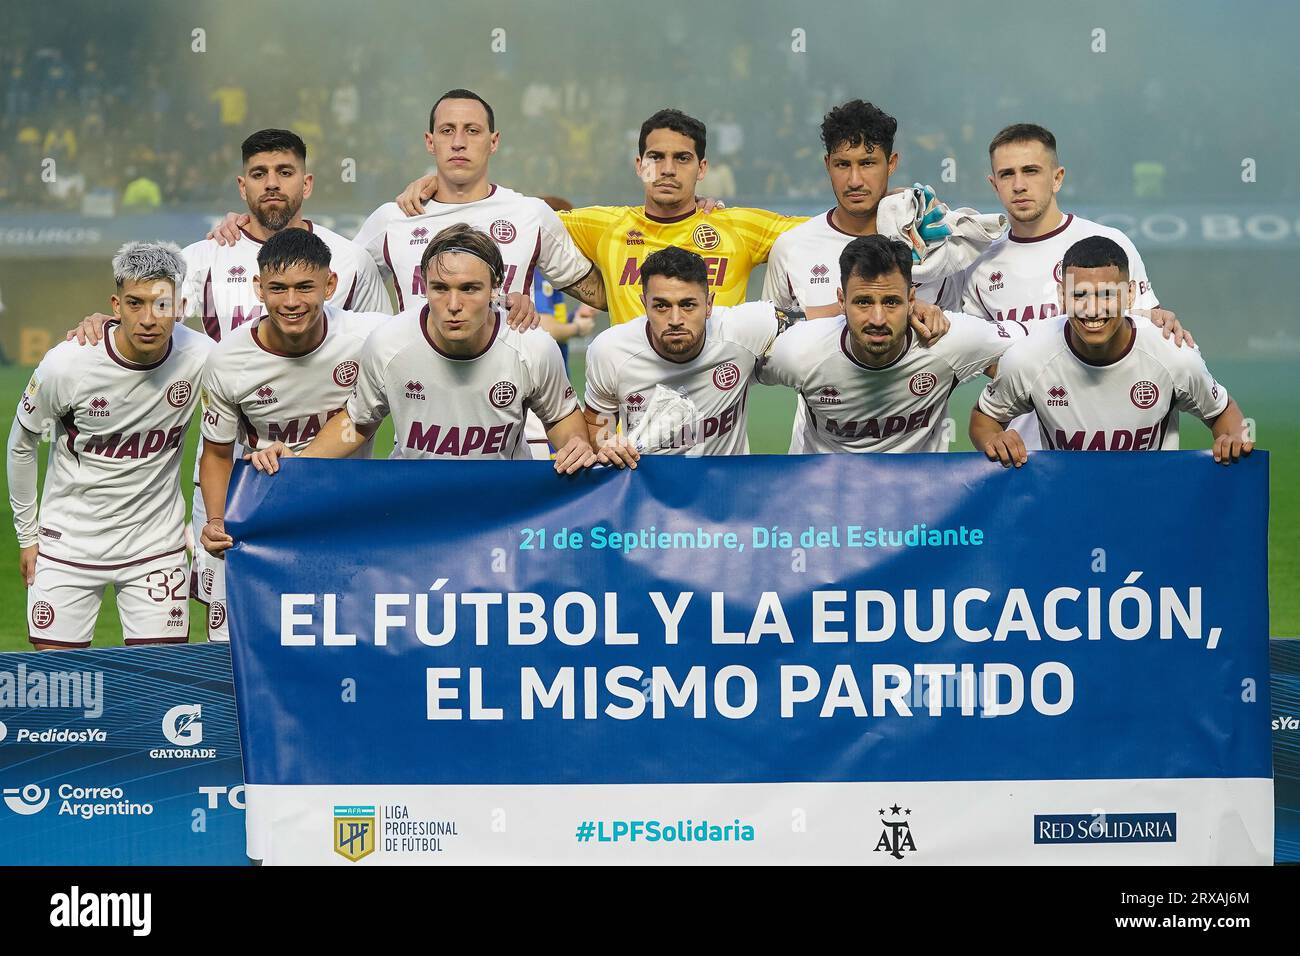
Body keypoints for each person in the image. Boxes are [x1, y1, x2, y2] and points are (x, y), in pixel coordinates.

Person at [247, 224, 600, 473]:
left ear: (496, 287)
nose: (453, 303)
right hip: (413, 511)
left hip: (500, 508)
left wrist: (577, 446)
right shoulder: (389, 344)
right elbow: (357, 423)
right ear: (424, 286)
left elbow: (560, 418)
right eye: (440, 288)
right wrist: (300, 461)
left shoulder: (532, 346)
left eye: (470, 289)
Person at [7, 242, 211, 649]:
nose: (149, 319)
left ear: (181, 306)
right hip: (68, 547)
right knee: (59, 690)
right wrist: (28, 536)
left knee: (163, 688)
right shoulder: (67, 364)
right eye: (135, 303)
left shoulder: (202, 357)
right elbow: (21, 444)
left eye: (161, 304)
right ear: (115, 305)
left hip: (157, 549)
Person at [196, 228, 390, 641]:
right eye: (278, 288)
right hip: (261, 519)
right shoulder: (228, 360)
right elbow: (215, 454)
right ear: (258, 289)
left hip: (344, 520)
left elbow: (441, 325)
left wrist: (514, 305)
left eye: (306, 287)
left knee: (339, 644)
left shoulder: (370, 336)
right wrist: (216, 521)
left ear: (330, 285)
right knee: (238, 651)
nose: (291, 302)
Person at [961, 124, 1189, 448]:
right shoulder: (979, 265)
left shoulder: (1109, 244)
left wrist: (1163, 324)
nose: (1019, 185)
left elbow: (1148, 333)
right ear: (994, 184)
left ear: (1057, 178)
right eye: (1007, 174)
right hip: (1031, 458)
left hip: (1123, 445)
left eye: (1031, 171)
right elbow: (977, 354)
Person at [970, 236, 1251, 466]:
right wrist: (993, 438)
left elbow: (1222, 412)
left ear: (1129, 295)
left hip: (1149, 509)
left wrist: (1232, 438)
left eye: (1107, 295)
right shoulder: (1029, 357)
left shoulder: (1173, 356)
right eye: (1079, 295)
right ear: (1061, 296)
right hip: (1065, 508)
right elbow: (985, 419)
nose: (1093, 310)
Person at [759, 235, 1028, 452]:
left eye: (891, 302)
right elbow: (742, 361)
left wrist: (991, 420)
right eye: (863, 302)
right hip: (826, 507)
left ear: (912, 300)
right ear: (841, 301)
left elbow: (1036, 340)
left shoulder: (949, 341)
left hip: (916, 511)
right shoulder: (799, 352)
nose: (877, 319)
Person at [583, 246, 792, 463]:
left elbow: (816, 329)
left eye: (688, 305)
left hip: (724, 487)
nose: (675, 319)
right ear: (645, 304)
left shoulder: (743, 329)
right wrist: (605, 445)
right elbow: (597, 423)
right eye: (662, 306)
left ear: (709, 304)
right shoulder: (611, 351)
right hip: (646, 486)